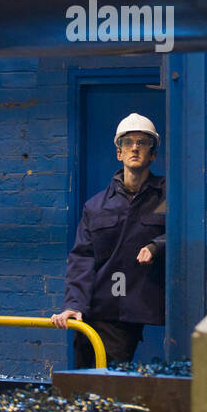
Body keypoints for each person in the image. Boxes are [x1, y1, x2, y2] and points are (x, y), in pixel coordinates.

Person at [51, 112, 165, 367]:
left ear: (153, 153)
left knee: (108, 383)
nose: (134, 147)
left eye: (142, 142)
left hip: (132, 311)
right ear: (119, 153)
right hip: (94, 311)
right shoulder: (96, 206)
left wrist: (157, 245)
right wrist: (73, 304)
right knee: (83, 381)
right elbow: (82, 258)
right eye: (128, 143)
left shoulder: (168, 196)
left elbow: (188, 230)